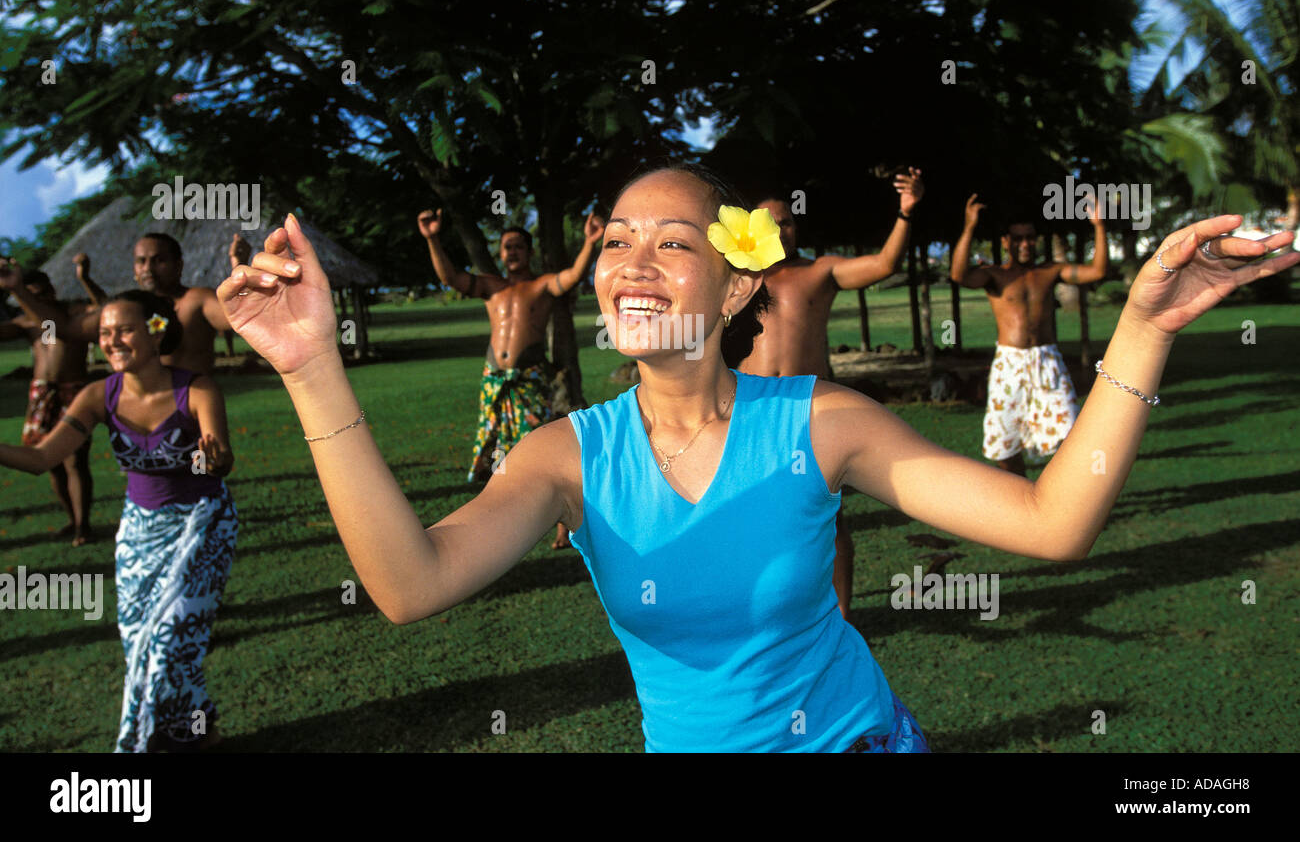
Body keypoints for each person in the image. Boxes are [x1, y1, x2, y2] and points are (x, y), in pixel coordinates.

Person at [219, 166, 1295, 753]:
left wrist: (1145, 329)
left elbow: (1055, 522)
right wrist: (313, 368)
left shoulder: (821, 421)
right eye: (619, 240)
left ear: (735, 291)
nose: (633, 261)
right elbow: (407, 587)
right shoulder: (564, 459)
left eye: (673, 240)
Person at [0, 279, 238, 753]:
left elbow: (222, 457)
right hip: (139, 532)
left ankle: (175, 736)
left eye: (124, 331)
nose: (111, 341)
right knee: (140, 644)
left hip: (201, 525)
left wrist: (214, 459)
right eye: (105, 333)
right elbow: (41, 459)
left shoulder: (197, 389)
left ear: (155, 331)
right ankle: (199, 729)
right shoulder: (96, 396)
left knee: (172, 640)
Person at [740, 169, 922, 620]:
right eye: (769, 222)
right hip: (749, 410)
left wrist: (905, 213)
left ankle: (841, 617)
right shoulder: (736, 282)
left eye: (787, 220)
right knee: (751, 515)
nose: (781, 228)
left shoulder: (819, 271)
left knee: (827, 517)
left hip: (809, 411)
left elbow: (883, 265)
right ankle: (766, 610)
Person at [417, 207, 604, 548]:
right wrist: (432, 238)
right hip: (494, 381)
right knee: (495, 452)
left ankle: (564, 522)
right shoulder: (492, 287)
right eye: (507, 246)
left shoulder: (542, 286)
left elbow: (573, 276)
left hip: (529, 380)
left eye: (519, 245)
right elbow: (450, 279)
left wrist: (591, 242)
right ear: (500, 254)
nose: (512, 251)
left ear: (529, 252)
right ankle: (501, 519)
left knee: (539, 449)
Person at [950, 194, 1108, 475]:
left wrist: (1098, 225)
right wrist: (969, 227)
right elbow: (959, 275)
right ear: (1005, 242)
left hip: (1047, 361)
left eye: (1030, 238)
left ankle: (1062, 496)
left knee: (1071, 433)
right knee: (1005, 437)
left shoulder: (1049, 272)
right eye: (1017, 238)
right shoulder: (994, 275)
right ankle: (1020, 493)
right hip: (1009, 364)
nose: (1025, 244)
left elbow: (1097, 271)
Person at [0, 255, 106, 544]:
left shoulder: (74, 316)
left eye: (42, 295)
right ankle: (72, 520)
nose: (38, 303)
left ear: (52, 291)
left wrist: (85, 278)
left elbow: (107, 309)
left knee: (75, 460)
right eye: (30, 298)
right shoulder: (25, 322)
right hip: (41, 395)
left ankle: (84, 526)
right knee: (50, 461)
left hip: (73, 392)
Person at [64, 232, 250, 375]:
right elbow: (67, 328)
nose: (148, 269)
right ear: (134, 268)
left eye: (159, 260)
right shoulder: (127, 308)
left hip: (189, 408)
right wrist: (85, 280)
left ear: (179, 265)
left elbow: (238, 315)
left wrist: (239, 267)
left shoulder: (196, 300)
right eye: (141, 261)